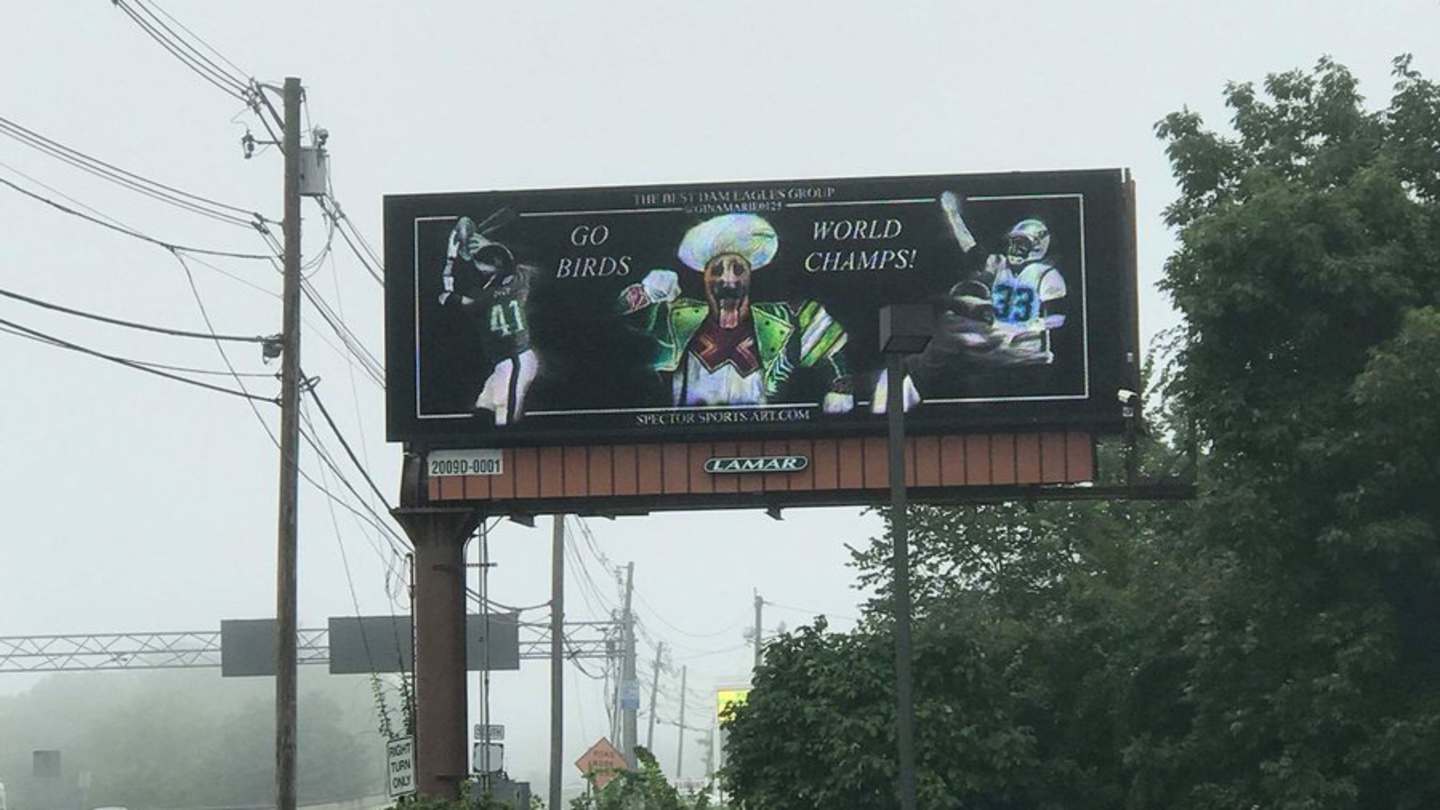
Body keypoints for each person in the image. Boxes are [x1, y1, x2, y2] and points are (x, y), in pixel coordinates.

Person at [617, 212, 854, 412]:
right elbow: (626, 321)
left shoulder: (785, 318)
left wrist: (840, 389)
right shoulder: (677, 317)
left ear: (750, 276)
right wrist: (648, 293)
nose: (728, 279)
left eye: (738, 269)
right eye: (717, 270)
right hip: (686, 442)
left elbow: (830, 351)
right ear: (705, 277)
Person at [873, 191, 1068, 412]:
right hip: (996, 347)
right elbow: (971, 248)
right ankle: (902, 393)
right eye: (1014, 242)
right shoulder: (999, 264)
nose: (1015, 248)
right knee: (947, 337)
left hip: (1026, 352)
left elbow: (1058, 318)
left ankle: (900, 395)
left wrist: (1026, 327)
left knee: (950, 341)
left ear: (1037, 247)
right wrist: (953, 214)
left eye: (1022, 243)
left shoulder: (1047, 275)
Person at [438, 213, 537, 426]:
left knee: (505, 415)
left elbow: (450, 296)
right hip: (505, 362)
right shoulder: (517, 281)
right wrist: (486, 247)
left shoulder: (485, 296)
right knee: (483, 408)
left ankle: (511, 450)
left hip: (515, 358)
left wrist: (451, 259)